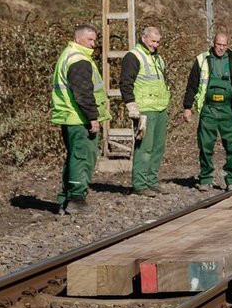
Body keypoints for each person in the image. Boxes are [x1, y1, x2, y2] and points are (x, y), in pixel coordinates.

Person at [51, 24, 111, 214]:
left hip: (70, 117)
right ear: (78, 39)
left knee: (73, 158)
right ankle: (76, 199)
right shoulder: (79, 60)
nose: (93, 44)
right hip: (79, 118)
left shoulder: (68, 54)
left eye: (95, 40)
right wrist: (92, 118)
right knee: (82, 158)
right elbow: (83, 94)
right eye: (89, 40)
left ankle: (66, 198)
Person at [182, 32, 232, 192]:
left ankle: (231, 179)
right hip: (208, 109)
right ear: (214, 43)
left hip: (227, 110)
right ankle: (205, 179)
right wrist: (187, 107)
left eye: (224, 45)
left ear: (228, 45)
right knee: (205, 145)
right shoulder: (202, 60)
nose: (221, 48)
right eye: (219, 45)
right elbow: (192, 85)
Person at [120, 25, 170, 197]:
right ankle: (140, 184)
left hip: (160, 107)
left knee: (157, 147)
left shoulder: (157, 59)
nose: (155, 45)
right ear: (144, 38)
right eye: (153, 41)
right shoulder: (133, 57)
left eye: (158, 42)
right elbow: (126, 83)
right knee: (144, 148)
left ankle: (152, 181)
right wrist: (131, 105)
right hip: (144, 110)